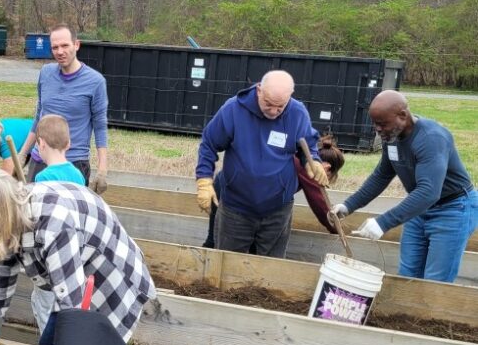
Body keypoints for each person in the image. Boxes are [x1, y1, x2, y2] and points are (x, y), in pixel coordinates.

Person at [0, 167, 154, 345]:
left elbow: (72, 307)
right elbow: (3, 274)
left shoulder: (54, 227)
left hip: (111, 276)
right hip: (74, 277)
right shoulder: (9, 212)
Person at [333, 90, 477, 282]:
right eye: (375, 123)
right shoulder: (392, 138)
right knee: (408, 275)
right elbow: (381, 176)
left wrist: (383, 222)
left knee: (436, 280)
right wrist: (348, 205)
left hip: (453, 208)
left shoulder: (431, 138)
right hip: (419, 209)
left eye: (382, 123)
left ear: (403, 115)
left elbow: (428, 191)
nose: (377, 129)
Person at [195, 70, 329, 258]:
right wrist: (204, 180)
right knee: (228, 265)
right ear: (259, 90)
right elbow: (209, 143)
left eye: (280, 107)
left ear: (289, 97)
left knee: (271, 271)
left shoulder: (298, 113)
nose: (273, 111)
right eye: (268, 104)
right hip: (237, 208)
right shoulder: (233, 110)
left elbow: (307, 145)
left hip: (277, 210)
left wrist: (312, 161)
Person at [203, 134, 345, 248]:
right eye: (330, 176)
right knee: (221, 243)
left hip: (227, 183)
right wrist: (336, 230)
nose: (324, 180)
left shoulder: (296, 157)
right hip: (234, 192)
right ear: (326, 167)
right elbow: (319, 204)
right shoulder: (306, 166)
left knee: (216, 240)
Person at [17, 25, 110, 193]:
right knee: (33, 214)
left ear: (76, 45)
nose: (60, 51)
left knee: (71, 216)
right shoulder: (45, 73)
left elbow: (100, 127)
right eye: (55, 47)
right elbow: (39, 116)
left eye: (65, 45)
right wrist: (23, 153)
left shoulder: (95, 82)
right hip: (40, 161)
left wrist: (102, 170)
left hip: (73, 164)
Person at [28, 115, 87, 332]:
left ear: (40, 143)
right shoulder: (78, 175)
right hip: (74, 249)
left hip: (50, 253)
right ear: (69, 144)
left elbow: (41, 218)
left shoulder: (43, 178)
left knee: (43, 303)